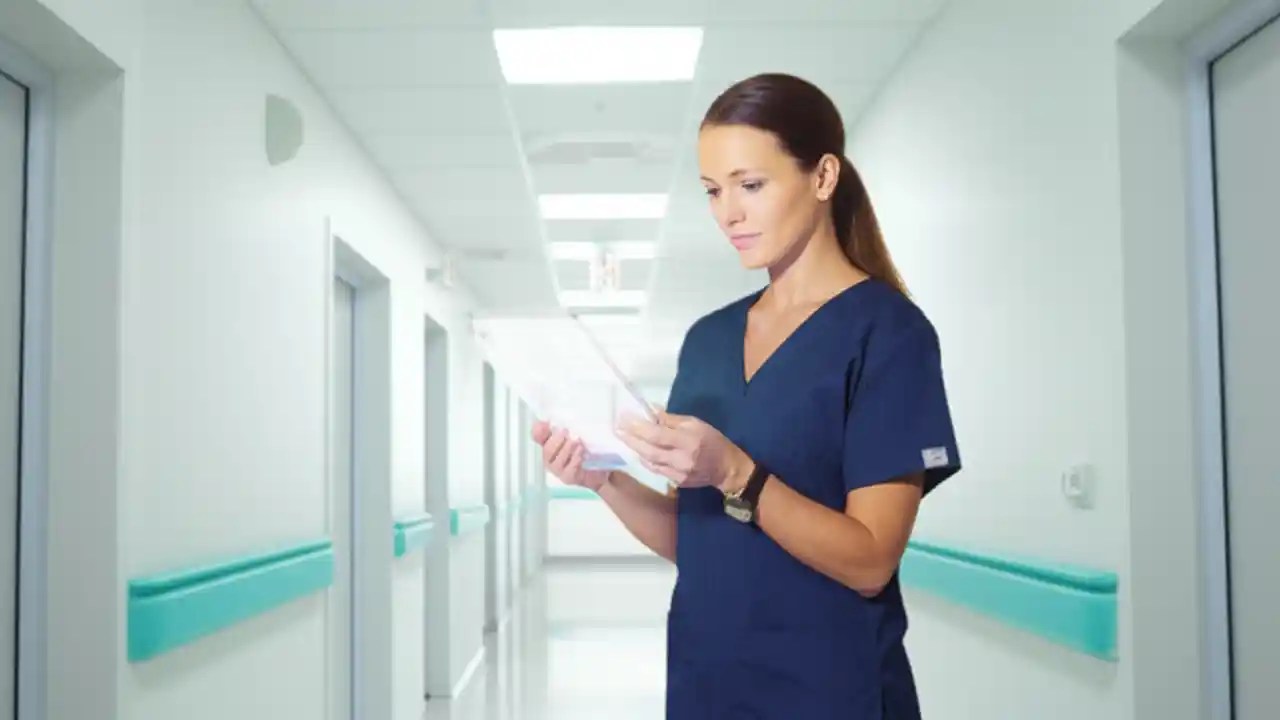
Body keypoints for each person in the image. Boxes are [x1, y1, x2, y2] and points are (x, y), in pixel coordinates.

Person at [531, 72, 961, 719]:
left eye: (750, 185)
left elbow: (871, 559)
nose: (726, 213)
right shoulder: (708, 340)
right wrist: (604, 482)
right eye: (711, 191)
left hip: (832, 695)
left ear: (822, 178)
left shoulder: (889, 334)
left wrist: (735, 471)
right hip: (708, 689)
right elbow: (695, 539)